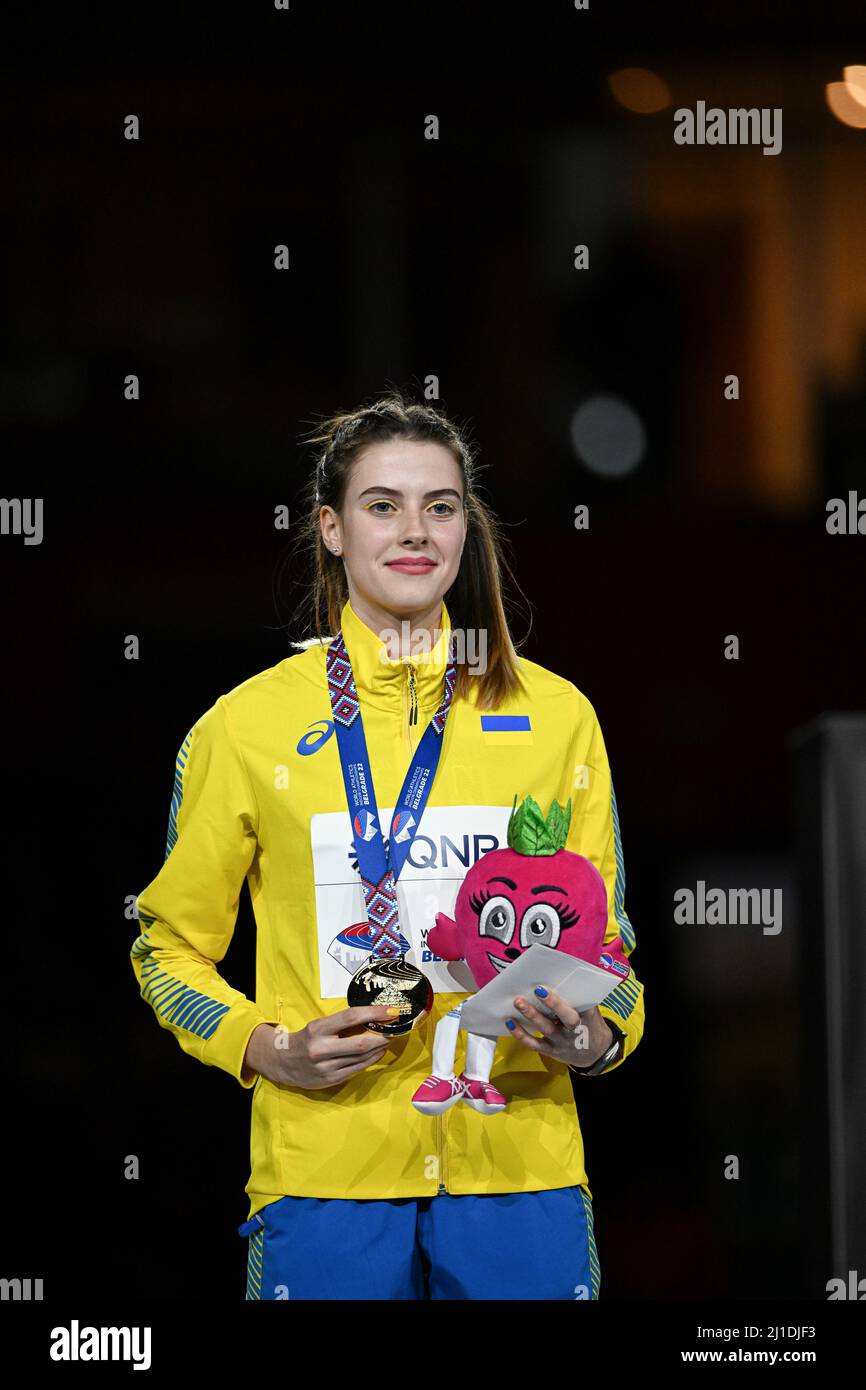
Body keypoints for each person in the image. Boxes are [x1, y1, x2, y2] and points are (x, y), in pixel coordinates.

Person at [130, 391, 645, 1300]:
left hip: (518, 1174)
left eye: (440, 506)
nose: (416, 530)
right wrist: (264, 1046)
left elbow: (611, 951)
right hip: (326, 1176)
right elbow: (165, 950)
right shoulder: (245, 728)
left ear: (465, 528)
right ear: (330, 528)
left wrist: (598, 1038)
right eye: (383, 505)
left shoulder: (555, 718)